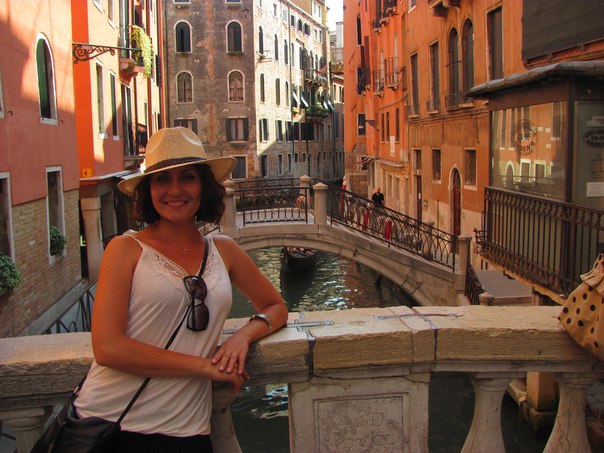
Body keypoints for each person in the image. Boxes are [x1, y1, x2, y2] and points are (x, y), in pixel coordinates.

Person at [74, 127, 288, 452]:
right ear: (149, 189)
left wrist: (241, 337)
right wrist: (204, 366)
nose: (175, 190)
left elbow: (276, 307)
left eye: (187, 177)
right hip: (110, 422)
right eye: (162, 179)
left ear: (203, 186)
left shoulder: (225, 251)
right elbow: (107, 348)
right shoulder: (125, 249)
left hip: (188, 431)